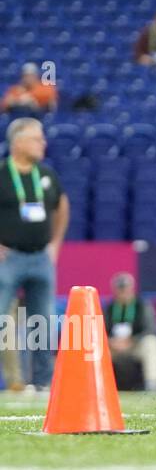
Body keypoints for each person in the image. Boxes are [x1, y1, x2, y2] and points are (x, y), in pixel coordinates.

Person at [0, 118, 68, 393]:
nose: (43, 143)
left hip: (41, 257)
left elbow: (62, 207)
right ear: (18, 142)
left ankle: (43, 383)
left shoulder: (48, 175)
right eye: (37, 138)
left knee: (43, 322)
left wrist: (55, 244)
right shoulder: (2, 174)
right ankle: (11, 380)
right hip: (9, 258)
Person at [105, 271, 156, 392]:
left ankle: (153, 385)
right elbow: (99, 331)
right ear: (115, 290)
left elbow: (151, 329)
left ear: (131, 289)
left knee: (151, 342)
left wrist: (131, 340)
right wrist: (110, 341)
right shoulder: (109, 307)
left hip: (135, 345)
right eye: (120, 289)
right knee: (96, 348)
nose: (123, 293)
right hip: (113, 347)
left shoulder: (142, 305)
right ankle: (96, 385)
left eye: (126, 289)